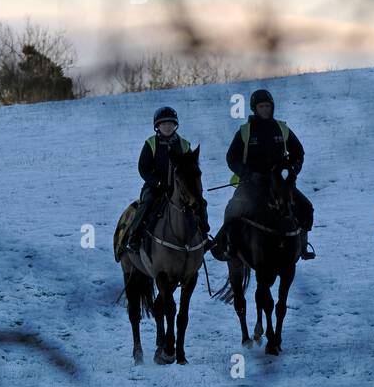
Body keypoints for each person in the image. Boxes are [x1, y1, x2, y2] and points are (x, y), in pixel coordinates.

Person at [209, 88, 316, 261]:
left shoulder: (282, 128)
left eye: (268, 106)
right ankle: (228, 246)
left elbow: (298, 152)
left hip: (280, 185)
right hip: (252, 185)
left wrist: (293, 171)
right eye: (261, 106)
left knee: (306, 208)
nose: (265, 109)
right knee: (233, 209)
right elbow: (231, 157)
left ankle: (302, 246)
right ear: (254, 109)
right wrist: (247, 174)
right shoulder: (245, 131)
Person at [125, 106, 212, 252]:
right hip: (155, 187)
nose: (167, 126)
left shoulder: (184, 144)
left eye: (170, 123)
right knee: (147, 203)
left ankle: (204, 236)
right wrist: (158, 183)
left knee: (200, 203)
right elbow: (143, 169)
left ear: (175, 125)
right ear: (157, 126)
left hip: (181, 188)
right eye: (163, 123)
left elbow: (191, 169)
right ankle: (134, 237)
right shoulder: (151, 144)